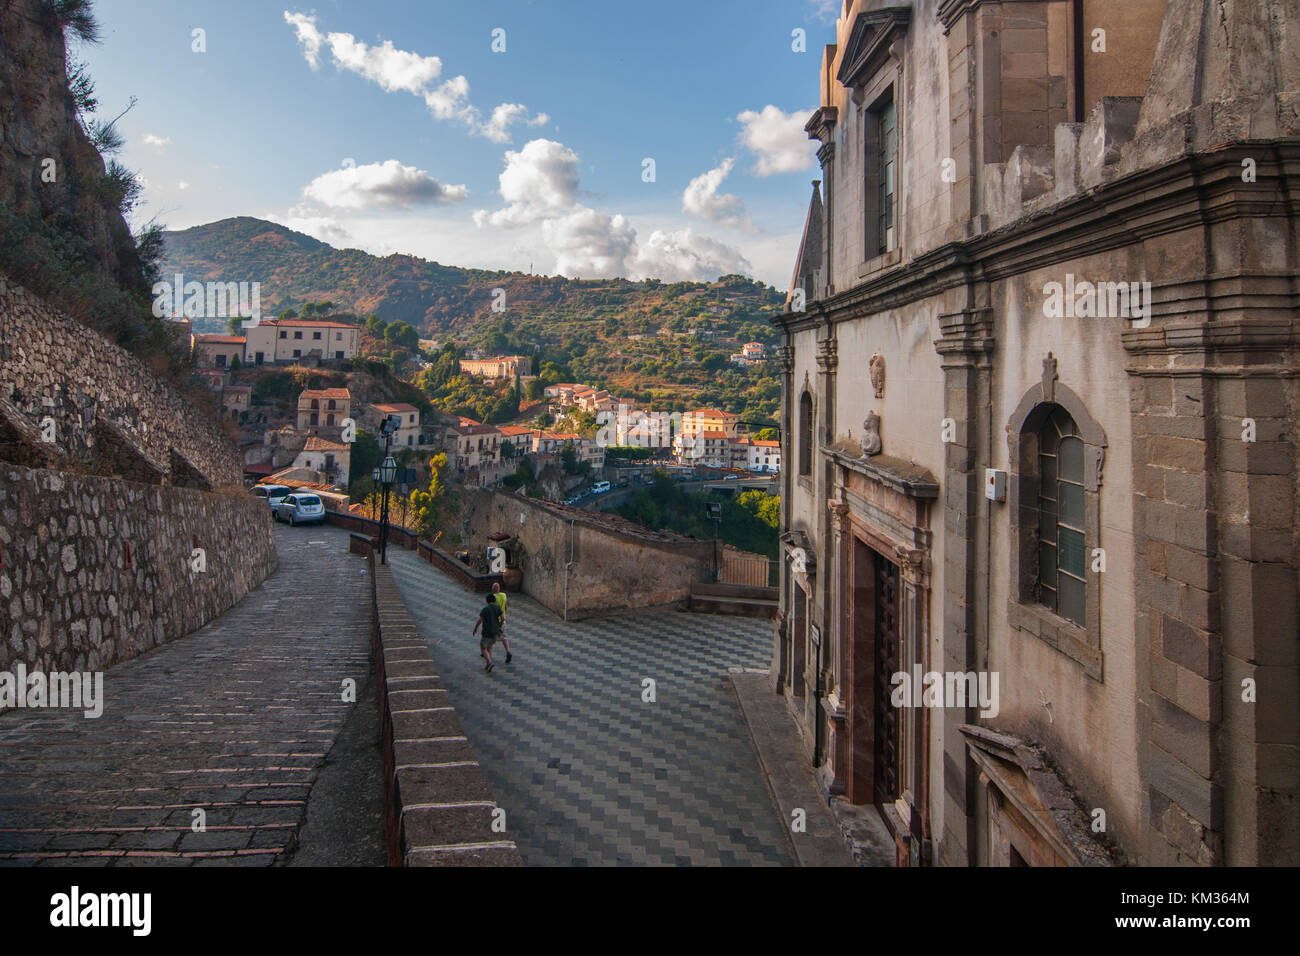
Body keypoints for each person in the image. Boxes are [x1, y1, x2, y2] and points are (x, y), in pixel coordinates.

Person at [472, 592, 503, 672]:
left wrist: (475, 628)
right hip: (495, 632)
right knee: (490, 647)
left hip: (487, 632)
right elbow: (502, 618)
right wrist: (499, 625)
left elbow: (480, 620)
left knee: (483, 648)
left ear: (487, 601)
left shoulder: (485, 609)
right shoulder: (497, 608)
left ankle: (489, 662)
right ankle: (488, 664)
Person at [491, 581, 512, 664]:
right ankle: (508, 652)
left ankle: (488, 655)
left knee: (491, 638)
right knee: (504, 637)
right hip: (503, 620)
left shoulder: (493, 597)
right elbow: (506, 607)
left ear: (493, 590)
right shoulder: (504, 595)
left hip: (495, 621)